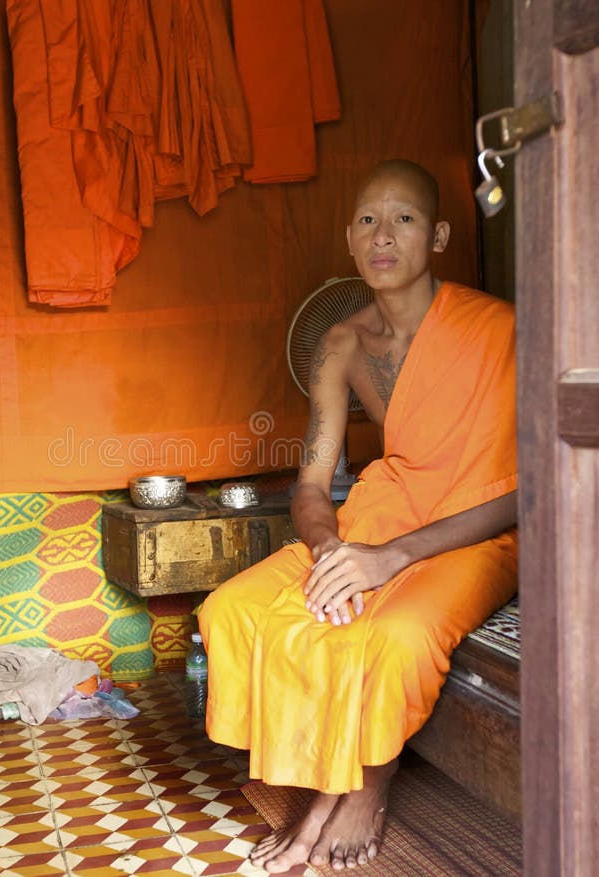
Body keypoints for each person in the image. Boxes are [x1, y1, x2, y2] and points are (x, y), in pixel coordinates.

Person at [198, 159, 518, 872]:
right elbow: (314, 483)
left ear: (436, 235)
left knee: (395, 632)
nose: (383, 235)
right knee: (234, 609)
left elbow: (526, 490)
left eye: (403, 218)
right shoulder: (341, 345)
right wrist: (329, 553)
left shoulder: (500, 329)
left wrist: (391, 558)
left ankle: (366, 786)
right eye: (368, 220)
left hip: (474, 529)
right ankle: (324, 788)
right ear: (349, 239)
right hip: (377, 514)